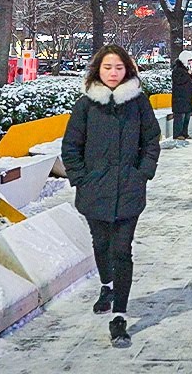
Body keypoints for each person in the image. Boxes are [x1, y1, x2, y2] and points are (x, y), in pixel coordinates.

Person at [61, 45, 161, 348]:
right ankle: (107, 285)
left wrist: (142, 173)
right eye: (107, 67)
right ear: (98, 70)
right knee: (101, 244)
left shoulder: (138, 103)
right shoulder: (86, 105)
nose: (113, 73)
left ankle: (119, 316)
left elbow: (151, 140)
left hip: (129, 189)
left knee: (122, 250)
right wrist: (81, 178)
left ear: (127, 69)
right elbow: (71, 146)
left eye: (119, 67)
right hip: (94, 190)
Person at [171, 51, 192, 141]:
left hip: (187, 97)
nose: (190, 62)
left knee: (186, 116)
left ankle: (184, 133)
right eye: (189, 60)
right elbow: (179, 81)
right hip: (180, 97)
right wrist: (188, 74)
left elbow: (191, 80)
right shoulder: (177, 70)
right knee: (179, 117)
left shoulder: (185, 69)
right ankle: (177, 134)